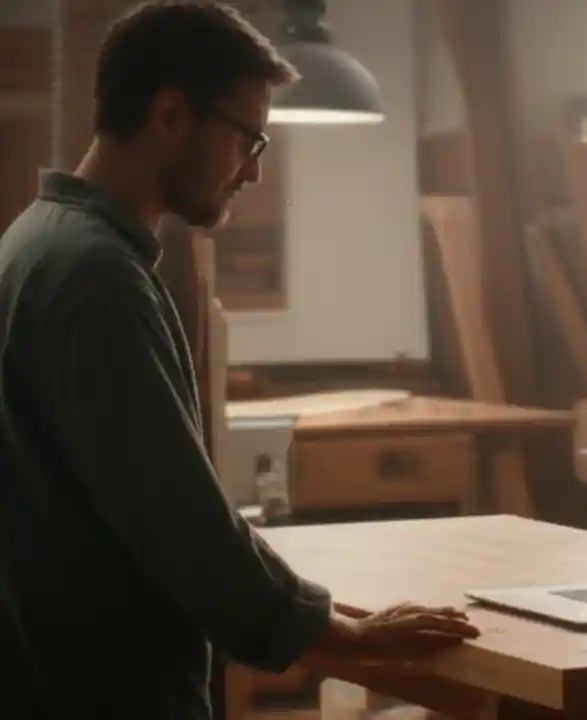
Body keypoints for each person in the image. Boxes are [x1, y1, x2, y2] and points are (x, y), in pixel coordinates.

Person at [0, 2, 479, 717]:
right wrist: (348, 635)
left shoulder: (35, 241)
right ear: (169, 115)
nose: (253, 171)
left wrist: (310, 611)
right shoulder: (95, 279)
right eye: (248, 139)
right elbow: (180, 523)